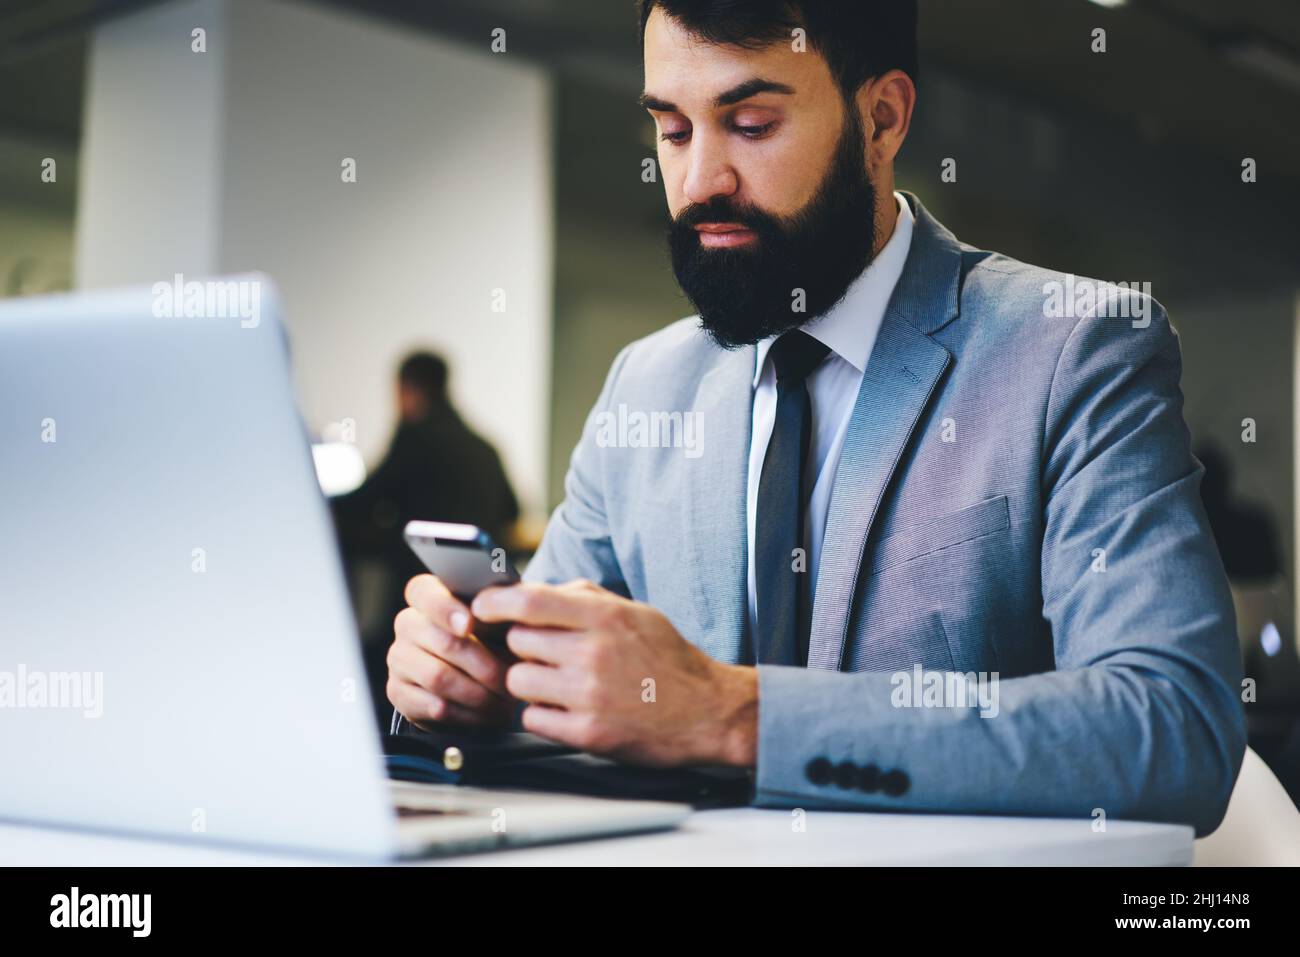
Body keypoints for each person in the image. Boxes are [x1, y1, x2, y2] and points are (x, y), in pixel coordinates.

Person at [387, 1, 1245, 834]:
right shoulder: (646, 386)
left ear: (881, 119)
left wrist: (733, 714)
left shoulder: (1074, 349)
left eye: (752, 124)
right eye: (674, 130)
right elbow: (550, 674)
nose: (698, 182)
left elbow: (1174, 728)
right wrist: (480, 682)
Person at [334, 351, 518, 715]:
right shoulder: (484, 447)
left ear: (408, 390)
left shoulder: (414, 436)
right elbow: (512, 510)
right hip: (481, 609)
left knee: (369, 656)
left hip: (419, 603)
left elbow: (366, 499)